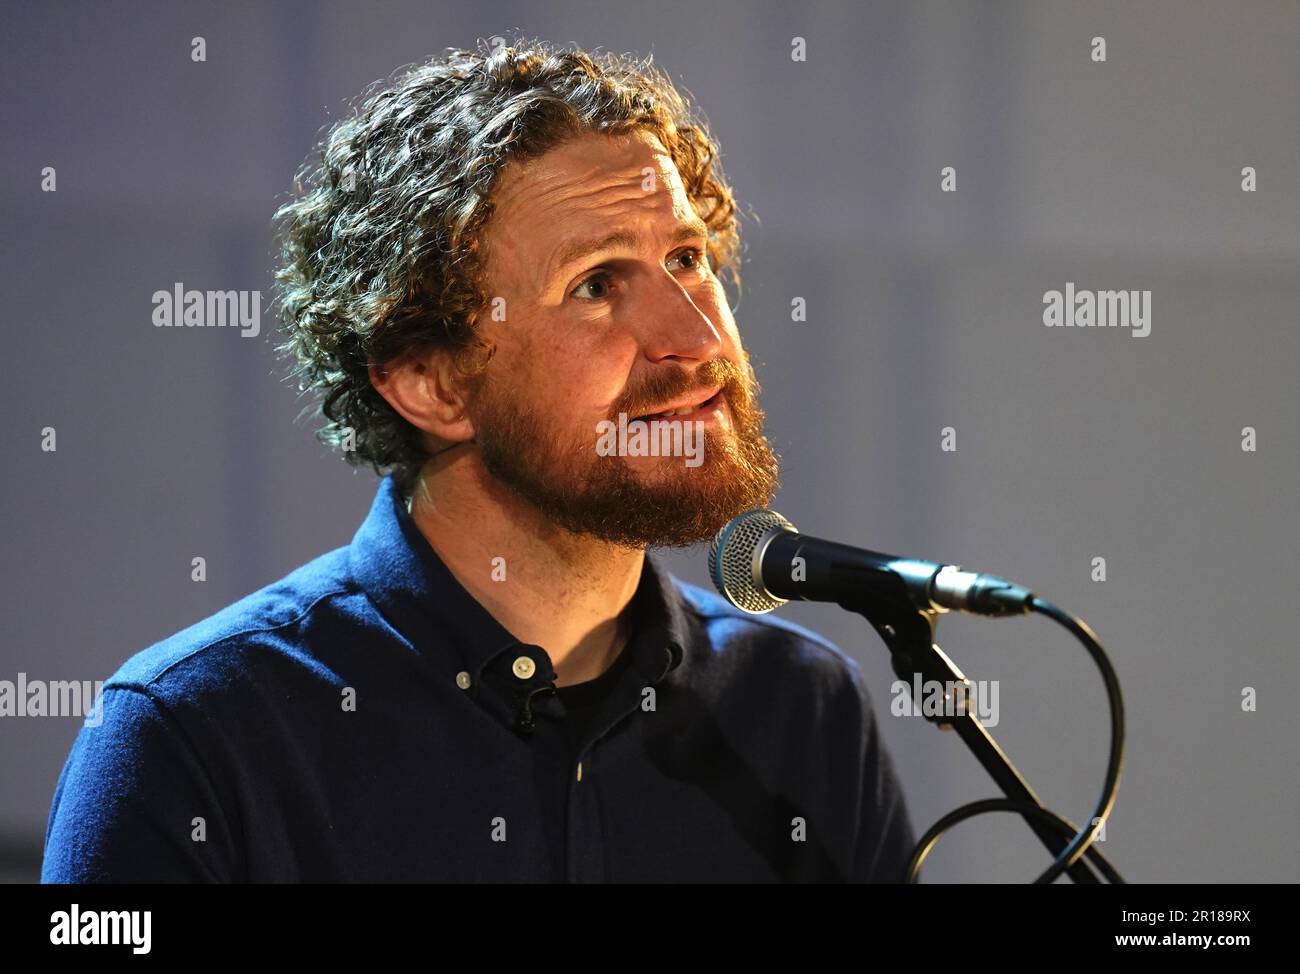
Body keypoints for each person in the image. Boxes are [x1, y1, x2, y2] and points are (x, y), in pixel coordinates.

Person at [41, 38, 916, 883]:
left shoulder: (804, 708)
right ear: (431, 384)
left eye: (688, 259)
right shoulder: (198, 736)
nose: (694, 337)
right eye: (597, 285)